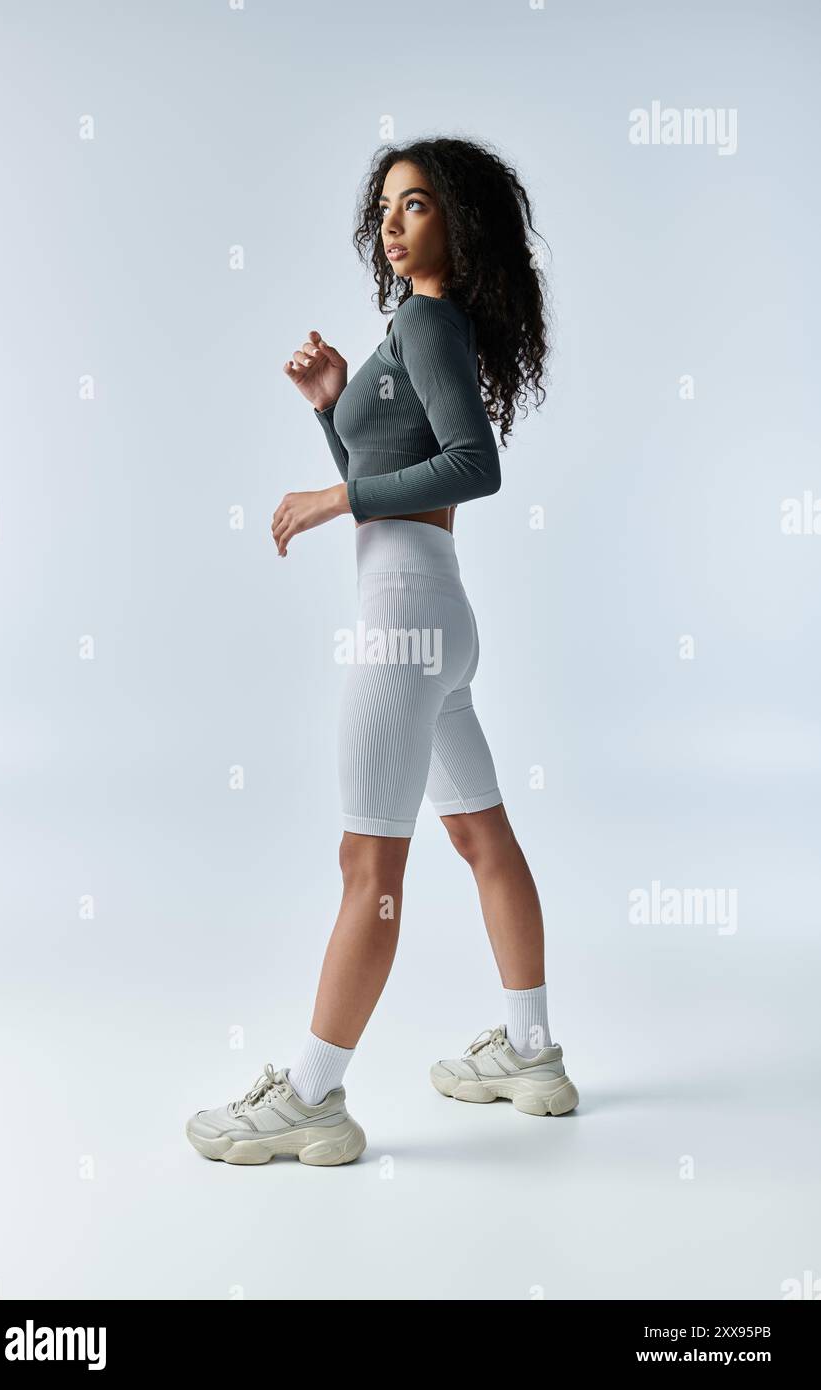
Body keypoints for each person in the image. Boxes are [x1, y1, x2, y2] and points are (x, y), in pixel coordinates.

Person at [186, 137, 579, 1168]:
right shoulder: (422, 325)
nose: (395, 224)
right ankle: (530, 1053)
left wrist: (332, 496)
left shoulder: (426, 319)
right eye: (388, 209)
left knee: (366, 861)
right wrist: (330, 414)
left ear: (460, 219)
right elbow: (401, 459)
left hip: (401, 612)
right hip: (434, 612)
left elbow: (471, 466)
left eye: (417, 205)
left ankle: (312, 1098)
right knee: (478, 837)